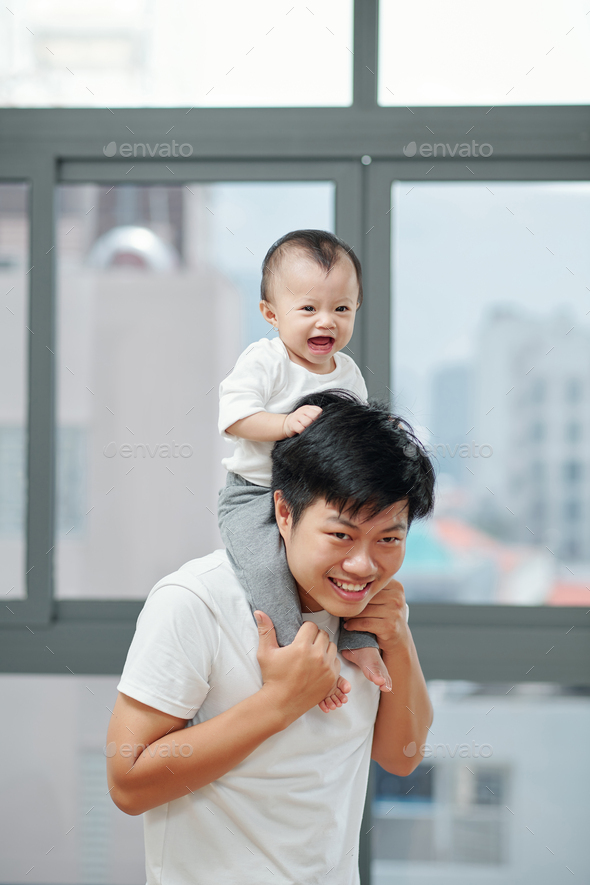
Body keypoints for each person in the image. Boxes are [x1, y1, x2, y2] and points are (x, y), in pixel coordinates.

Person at [106, 391, 435, 885]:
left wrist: (399, 638)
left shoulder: (376, 608)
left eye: (389, 538)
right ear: (284, 512)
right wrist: (280, 703)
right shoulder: (194, 600)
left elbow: (401, 757)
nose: (364, 565)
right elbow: (128, 784)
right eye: (341, 536)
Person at [217, 229, 389, 708]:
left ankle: (359, 642)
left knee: (363, 562)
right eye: (308, 308)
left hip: (317, 500)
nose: (326, 321)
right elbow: (233, 418)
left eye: (341, 308)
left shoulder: (346, 371)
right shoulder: (264, 361)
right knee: (268, 571)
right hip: (254, 493)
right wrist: (284, 423)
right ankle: (305, 664)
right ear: (271, 314)